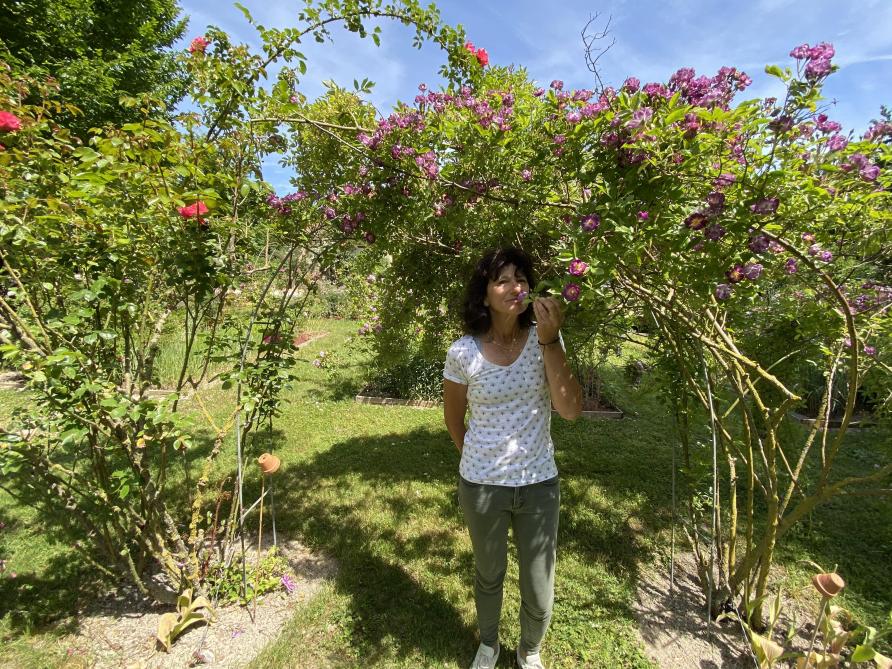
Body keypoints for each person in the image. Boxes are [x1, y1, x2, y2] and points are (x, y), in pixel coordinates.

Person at [443, 247, 582, 669]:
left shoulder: (545, 341)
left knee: (539, 582)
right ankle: (489, 644)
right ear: (484, 295)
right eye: (502, 279)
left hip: (539, 483)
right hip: (483, 486)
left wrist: (551, 339)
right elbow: (453, 421)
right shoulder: (462, 353)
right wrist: (479, 463)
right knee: (489, 574)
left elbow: (571, 410)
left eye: (520, 278)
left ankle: (530, 649)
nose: (514, 286)